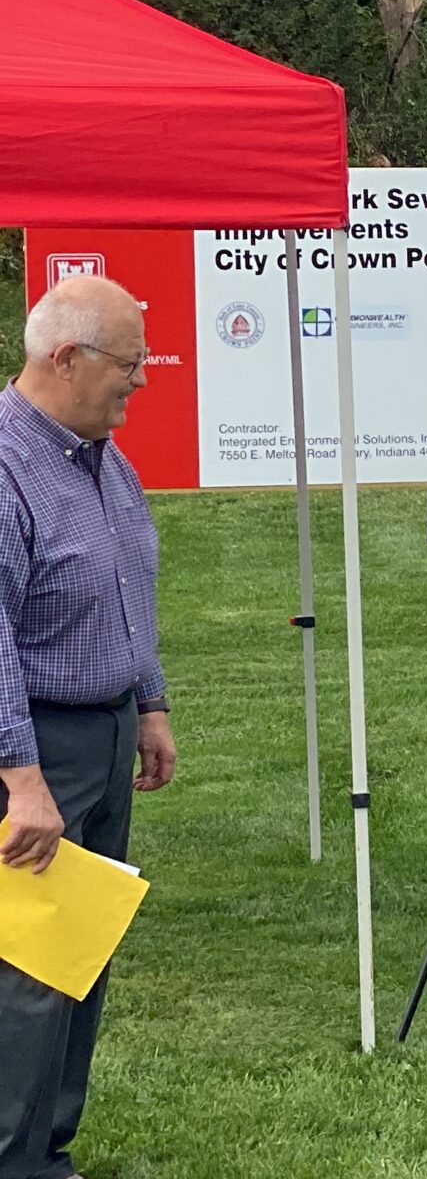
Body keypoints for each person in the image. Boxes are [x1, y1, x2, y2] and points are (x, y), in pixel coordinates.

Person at [0, 275, 176, 1179]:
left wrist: (149, 703)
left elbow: (122, 585)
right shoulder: (4, 463)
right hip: (37, 747)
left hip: (104, 736)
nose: (141, 380)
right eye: (129, 362)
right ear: (63, 358)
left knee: (80, 956)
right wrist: (20, 778)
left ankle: (50, 1151)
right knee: (28, 974)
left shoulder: (102, 454)